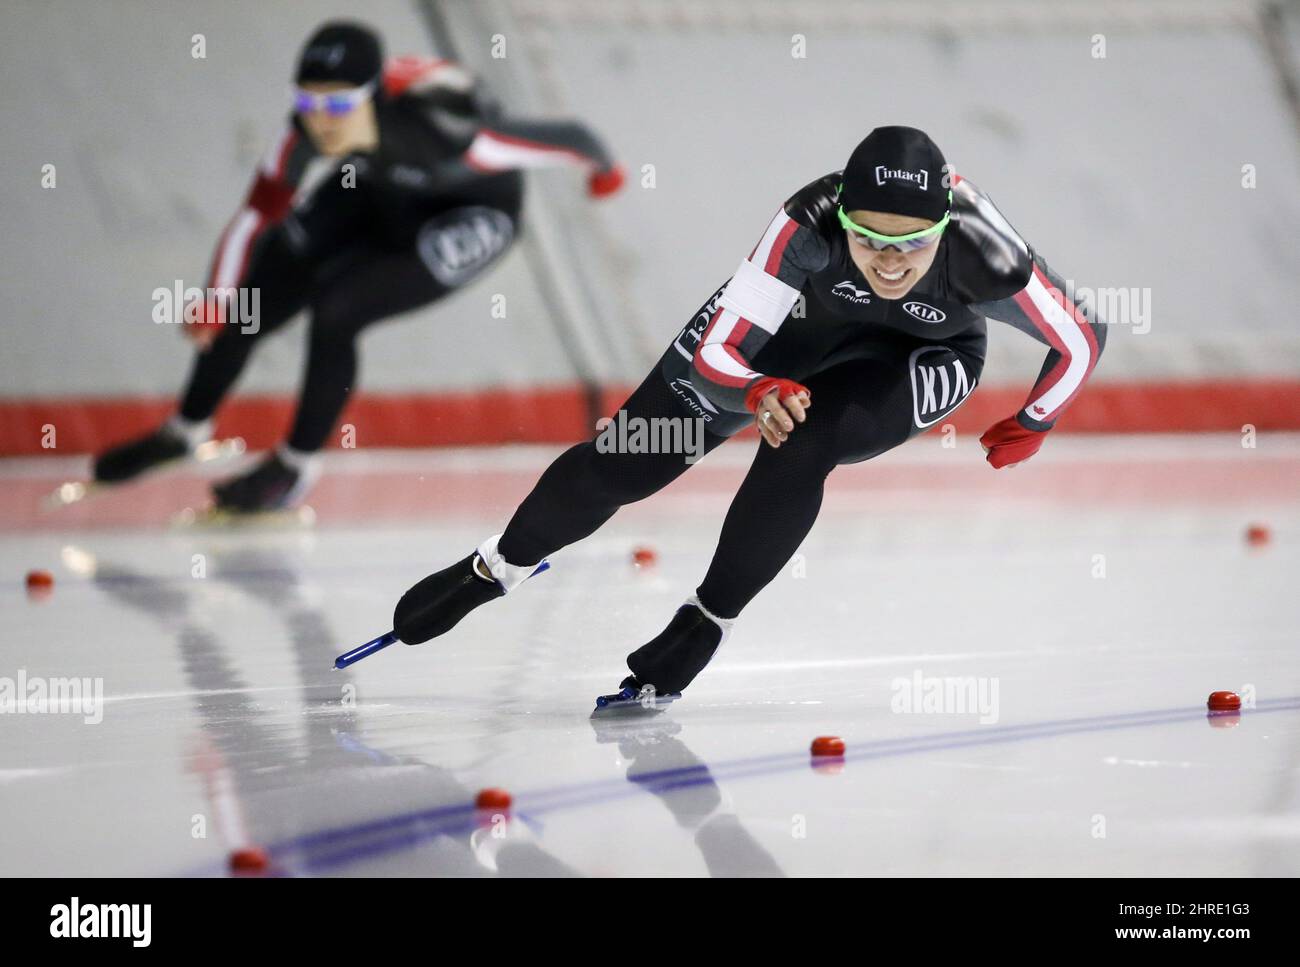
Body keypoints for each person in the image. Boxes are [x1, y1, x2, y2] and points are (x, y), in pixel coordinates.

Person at [389, 126, 1107, 700]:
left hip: (923, 353)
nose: (890, 263)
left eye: (913, 245)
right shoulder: (805, 222)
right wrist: (757, 389)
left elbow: (1081, 335)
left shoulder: (989, 255)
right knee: (630, 453)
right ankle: (494, 567)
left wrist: (1035, 420)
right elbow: (720, 355)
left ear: (946, 227)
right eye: (870, 240)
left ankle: (706, 621)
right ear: (843, 217)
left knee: (806, 438)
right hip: (794, 329)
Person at [93, 20, 623, 511]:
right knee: (259, 286)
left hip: (469, 208)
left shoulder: (448, 127)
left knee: (338, 310)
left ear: (373, 97)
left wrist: (607, 173)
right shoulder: (302, 129)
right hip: (375, 186)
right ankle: (186, 430)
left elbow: (574, 138)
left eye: (339, 106)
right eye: (308, 101)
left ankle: (294, 468)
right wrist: (216, 295)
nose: (321, 119)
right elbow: (255, 215)